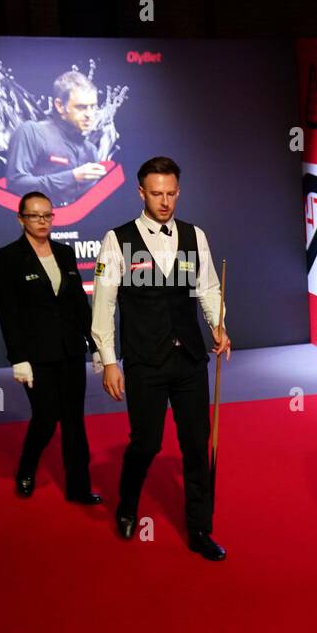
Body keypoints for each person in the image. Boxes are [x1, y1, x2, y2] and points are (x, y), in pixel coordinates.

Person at [91, 156, 231, 559]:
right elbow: (104, 304)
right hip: (144, 362)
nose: (165, 201)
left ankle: (200, 529)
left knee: (195, 444)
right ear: (141, 192)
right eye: (156, 194)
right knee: (146, 444)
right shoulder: (117, 240)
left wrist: (219, 327)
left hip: (188, 359)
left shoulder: (194, 235)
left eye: (171, 193)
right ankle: (128, 504)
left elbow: (207, 288)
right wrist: (109, 361)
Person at [0, 190, 100, 503]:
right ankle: (27, 468)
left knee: (74, 421)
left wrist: (95, 345)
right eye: (35, 215)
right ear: (20, 218)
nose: (42, 221)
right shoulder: (7, 257)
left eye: (47, 215)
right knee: (46, 417)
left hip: (70, 350)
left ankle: (79, 487)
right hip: (36, 356)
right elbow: (7, 311)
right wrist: (18, 358)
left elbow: (79, 303)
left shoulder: (64, 253)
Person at [4, 70, 106, 207]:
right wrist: (72, 177)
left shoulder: (90, 150)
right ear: (59, 106)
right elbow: (16, 184)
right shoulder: (32, 132)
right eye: (81, 107)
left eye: (93, 107)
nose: (89, 114)